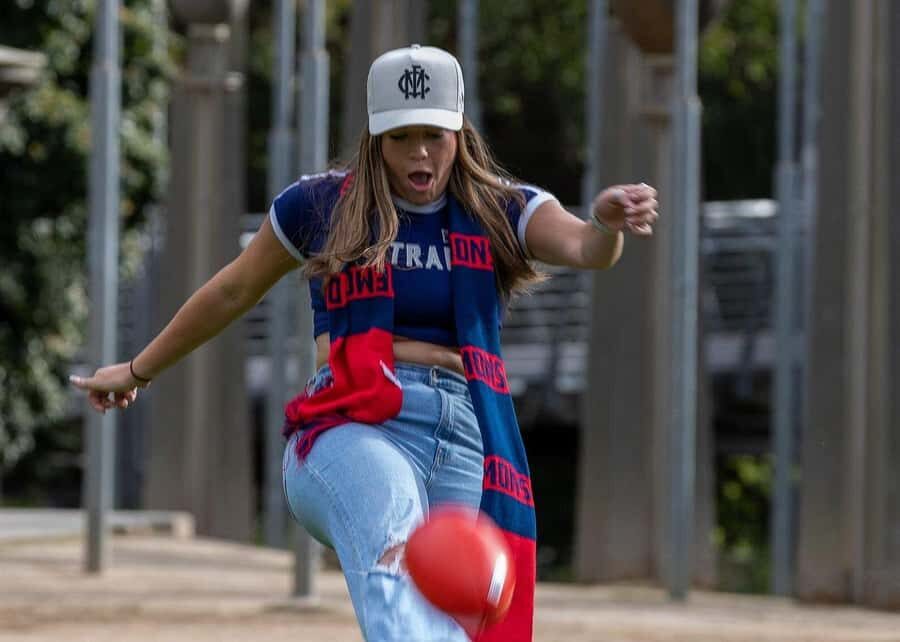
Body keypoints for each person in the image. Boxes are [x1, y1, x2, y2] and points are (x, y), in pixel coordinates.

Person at [71, 44, 658, 642]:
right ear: (377, 139)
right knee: (394, 535)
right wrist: (138, 370)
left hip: (462, 436)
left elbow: (585, 249)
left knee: (456, 612)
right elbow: (231, 292)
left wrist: (607, 224)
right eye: (402, 137)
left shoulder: (497, 209)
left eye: (435, 134)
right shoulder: (321, 204)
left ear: (460, 132)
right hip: (349, 425)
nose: (420, 152)